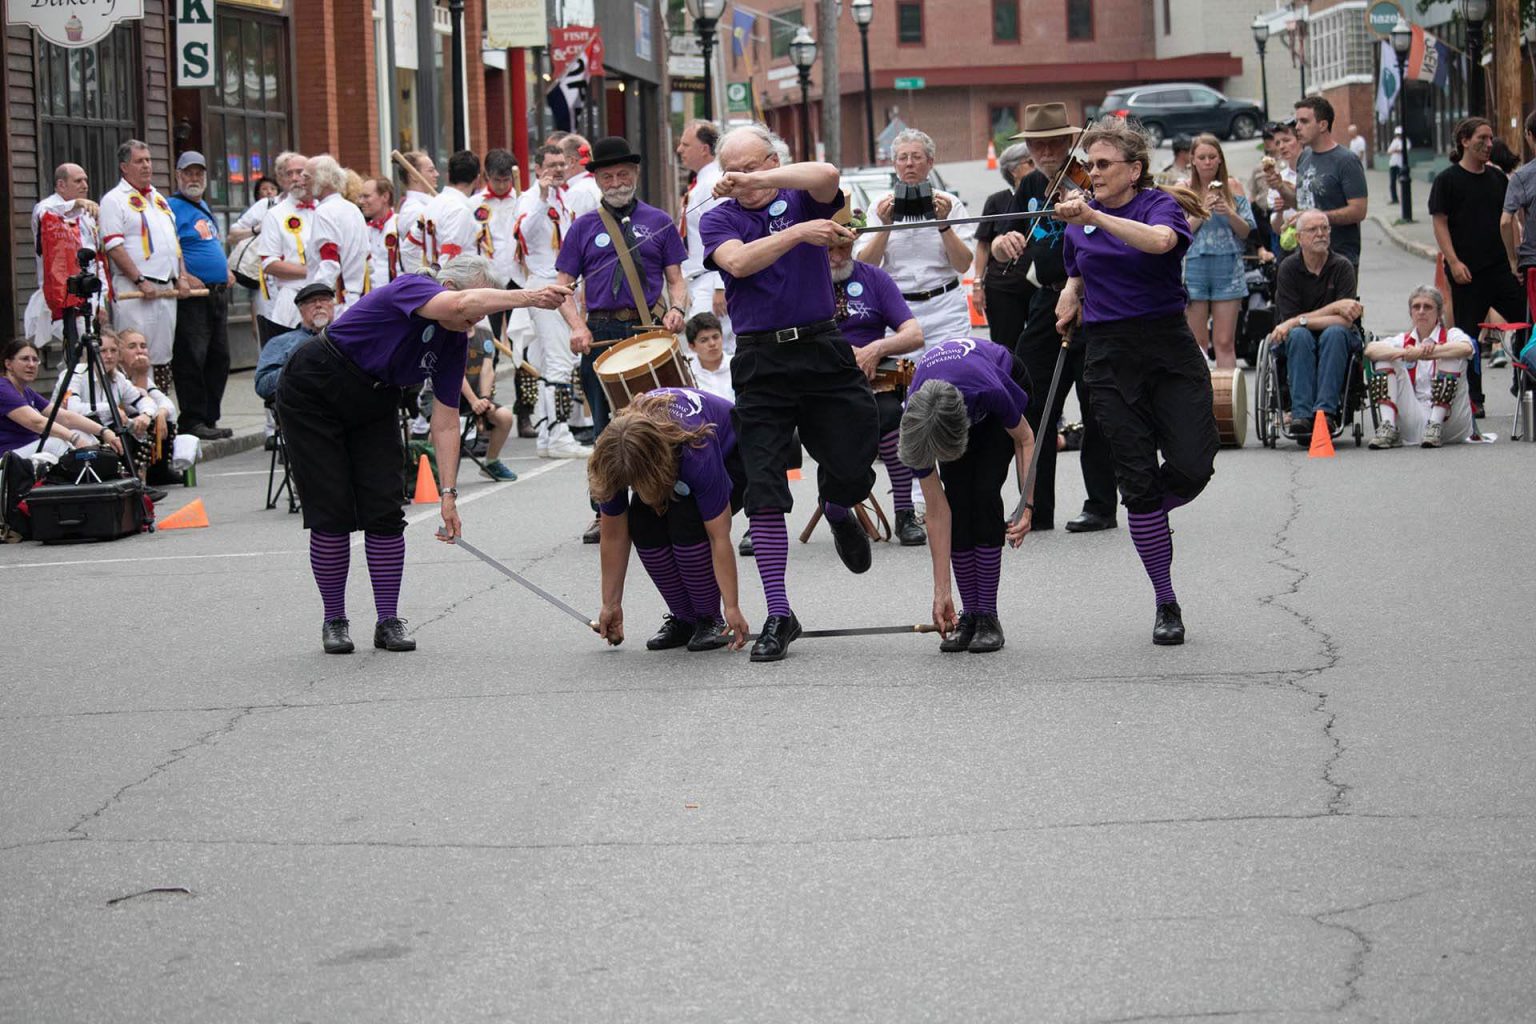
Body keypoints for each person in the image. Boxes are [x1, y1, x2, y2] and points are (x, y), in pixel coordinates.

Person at [274, 259, 570, 655]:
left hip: (376, 396)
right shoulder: (411, 288)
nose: (472, 325)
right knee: (331, 509)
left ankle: (388, 620)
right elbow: (462, 304)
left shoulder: (454, 340)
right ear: (446, 287)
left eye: (478, 318)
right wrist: (531, 296)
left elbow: (445, 422)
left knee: (385, 508)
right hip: (315, 386)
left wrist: (448, 493)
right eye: (474, 314)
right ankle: (335, 620)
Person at [702, 123, 881, 662]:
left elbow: (828, 174)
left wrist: (770, 184)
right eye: (729, 172)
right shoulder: (720, 217)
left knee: (856, 456)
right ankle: (780, 612)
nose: (741, 181)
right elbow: (737, 262)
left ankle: (836, 504)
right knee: (763, 487)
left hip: (823, 347)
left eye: (752, 168)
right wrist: (800, 234)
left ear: (774, 161)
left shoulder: (803, 194)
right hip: (762, 359)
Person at [1054, 116, 1215, 647]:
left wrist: (1095, 217)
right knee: (1137, 480)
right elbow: (1078, 265)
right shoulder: (1079, 219)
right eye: (1089, 166)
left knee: (1195, 463)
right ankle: (1165, 599)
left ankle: (1148, 511)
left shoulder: (1156, 206)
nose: (1092, 174)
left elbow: (1160, 242)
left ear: (1134, 169)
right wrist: (1070, 291)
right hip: (1108, 352)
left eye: (1103, 165)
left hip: (1167, 345)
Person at [986, 103, 1121, 534]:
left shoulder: (1091, 179)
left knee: (1096, 403)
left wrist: (1083, 209)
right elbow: (1006, 238)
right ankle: (1035, 507)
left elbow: (1110, 229)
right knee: (1030, 401)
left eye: (1053, 143)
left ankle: (1100, 505)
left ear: (1068, 142)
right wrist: (1003, 243)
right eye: (1037, 144)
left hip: (1093, 299)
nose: (1045, 151)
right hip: (1045, 304)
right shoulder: (1028, 184)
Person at [555, 136, 689, 543]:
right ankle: (605, 512)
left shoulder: (659, 220)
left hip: (647, 330)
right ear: (597, 180)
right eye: (608, 175)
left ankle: (667, 501)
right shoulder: (582, 228)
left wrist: (677, 310)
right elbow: (562, 289)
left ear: (635, 175)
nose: (616, 182)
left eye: (623, 174)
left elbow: (676, 281)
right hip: (602, 334)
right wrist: (578, 327)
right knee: (605, 430)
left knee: (662, 422)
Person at [898, 338, 1037, 653]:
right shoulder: (915, 424)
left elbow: (1026, 440)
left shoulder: (989, 391)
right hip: (944, 405)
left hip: (1000, 380)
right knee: (959, 500)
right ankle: (970, 614)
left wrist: (1026, 505)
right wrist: (940, 591)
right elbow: (937, 512)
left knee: (984, 493)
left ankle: (988, 615)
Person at [589, 387, 751, 652]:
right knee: (643, 523)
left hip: (733, 452)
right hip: (659, 456)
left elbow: (718, 535)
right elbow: (614, 534)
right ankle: (684, 619)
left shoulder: (696, 449)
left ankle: (708, 618)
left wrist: (731, 606)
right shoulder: (611, 454)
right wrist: (610, 604)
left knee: (687, 520)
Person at [829, 209, 926, 546]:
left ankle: (904, 513)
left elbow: (914, 334)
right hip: (823, 383)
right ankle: (830, 506)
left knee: (891, 416)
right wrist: (843, 354)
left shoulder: (874, 278)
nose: (839, 256)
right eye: (830, 249)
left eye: (844, 247)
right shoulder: (803, 285)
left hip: (873, 380)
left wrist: (875, 348)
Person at [1429, 116, 1525, 421]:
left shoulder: (1498, 179)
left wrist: (1515, 261)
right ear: (1464, 141)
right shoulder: (1447, 180)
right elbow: (1439, 223)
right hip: (1467, 272)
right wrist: (1454, 262)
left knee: (1528, 322)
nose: (1489, 144)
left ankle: (1523, 381)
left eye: (1490, 138)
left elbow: (1510, 221)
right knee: (1468, 337)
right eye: (1482, 139)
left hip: (1500, 268)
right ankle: (1474, 398)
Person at [857, 128, 977, 349]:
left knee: (950, 375)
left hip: (945, 309)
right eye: (903, 158)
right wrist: (886, 225)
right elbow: (865, 265)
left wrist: (944, 224)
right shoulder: (879, 206)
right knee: (903, 380)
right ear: (895, 165)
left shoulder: (950, 204)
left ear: (930, 162)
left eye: (916, 157)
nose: (909, 163)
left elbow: (963, 265)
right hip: (898, 310)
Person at [99, 139, 196, 393]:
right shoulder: (114, 200)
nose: (146, 166)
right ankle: (133, 412)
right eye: (139, 161)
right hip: (135, 290)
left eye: (149, 160)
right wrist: (140, 280)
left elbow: (173, 242)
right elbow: (114, 247)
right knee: (133, 353)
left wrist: (182, 276)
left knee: (161, 355)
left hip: (166, 288)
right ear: (124, 167)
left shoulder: (159, 199)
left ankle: (160, 415)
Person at [515, 144, 589, 459]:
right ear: (537, 168)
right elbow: (523, 234)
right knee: (559, 361)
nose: (558, 169)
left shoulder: (561, 197)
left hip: (560, 284)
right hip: (546, 286)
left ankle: (549, 435)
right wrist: (542, 199)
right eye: (552, 165)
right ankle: (558, 434)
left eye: (562, 164)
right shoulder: (532, 198)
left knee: (552, 362)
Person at [1269, 209, 1363, 442]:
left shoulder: (1342, 267)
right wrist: (1332, 309)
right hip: (1297, 338)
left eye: (1325, 228)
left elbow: (1345, 319)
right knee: (1300, 336)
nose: (1321, 234)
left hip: (1338, 337)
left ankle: (1325, 412)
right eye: (1313, 229)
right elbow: (1290, 323)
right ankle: (1301, 414)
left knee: (1335, 333)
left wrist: (1298, 320)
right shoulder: (1289, 268)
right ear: (1299, 238)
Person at [167, 151, 235, 441]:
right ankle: (192, 419)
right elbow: (171, 246)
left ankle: (210, 416)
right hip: (194, 294)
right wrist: (182, 274)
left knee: (219, 358)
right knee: (192, 357)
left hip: (216, 293)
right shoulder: (171, 207)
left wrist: (225, 269)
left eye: (199, 173)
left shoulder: (203, 206)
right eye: (188, 173)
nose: (194, 179)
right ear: (178, 175)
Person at [1366, 286, 1475, 449]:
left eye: (1428, 307)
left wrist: (1425, 353)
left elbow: (1466, 348)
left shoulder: (1452, 334)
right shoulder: (1404, 340)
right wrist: (1404, 353)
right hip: (1416, 417)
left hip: (1452, 421)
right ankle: (1387, 427)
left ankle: (1435, 426)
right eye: (1416, 307)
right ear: (1411, 313)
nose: (1421, 311)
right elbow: (1370, 350)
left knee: (1450, 356)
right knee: (1385, 360)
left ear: (1439, 313)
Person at [1182, 134, 1255, 370]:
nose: (1207, 162)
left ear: (1220, 160)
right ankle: (1200, 400)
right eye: (1202, 157)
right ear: (1193, 160)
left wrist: (1229, 212)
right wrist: (1202, 210)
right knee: (1197, 343)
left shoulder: (1232, 186)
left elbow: (1246, 231)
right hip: (1194, 267)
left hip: (1229, 266)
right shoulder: (1184, 189)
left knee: (1224, 342)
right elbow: (1181, 232)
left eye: (1212, 157)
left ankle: (1227, 402)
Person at [1273, 97, 1368, 267]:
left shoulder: (1346, 160)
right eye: (1297, 122)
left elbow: (1359, 211)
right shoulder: (1305, 157)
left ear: (1322, 125)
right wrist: (1279, 186)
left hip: (1338, 256)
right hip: (1304, 255)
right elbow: (1301, 202)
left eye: (1304, 121)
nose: (1297, 127)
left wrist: (1317, 218)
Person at [1, 339, 124, 460]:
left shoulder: (27, 392)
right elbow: (37, 422)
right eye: (25, 359)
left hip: (27, 455)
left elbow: (65, 417)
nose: (31, 364)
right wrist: (74, 438)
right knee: (57, 444)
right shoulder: (3, 388)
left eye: (35, 359)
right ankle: (90, 476)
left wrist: (104, 431)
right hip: (7, 459)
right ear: (8, 364)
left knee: (83, 434)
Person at [25, 163, 102, 354]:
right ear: (61, 185)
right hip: (62, 296)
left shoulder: (86, 214)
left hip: (88, 297)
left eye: (85, 180)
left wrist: (103, 299)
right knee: (76, 356)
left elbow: (96, 259)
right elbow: (46, 213)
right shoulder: (47, 208)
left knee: (92, 353)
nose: (85, 185)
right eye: (78, 181)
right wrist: (74, 204)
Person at [971, 141, 1035, 355]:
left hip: (1038, 288)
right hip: (1003, 288)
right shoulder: (997, 201)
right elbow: (983, 245)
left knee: (1037, 351)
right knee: (1006, 349)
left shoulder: (1043, 199)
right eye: (1030, 162)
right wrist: (977, 285)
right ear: (1013, 170)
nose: (1037, 166)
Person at [676, 119, 733, 351]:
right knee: (703, 350)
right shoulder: (701, 182)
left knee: (715, 349)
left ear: (704, 149)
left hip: (712, 280)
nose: (679, 150)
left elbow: (724, 234)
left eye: (685, 144)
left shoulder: (713, 182)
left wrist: (721, 286)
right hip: (700, 279)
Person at [255, 153, 317, 347]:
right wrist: (311, 270)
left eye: (300, 172)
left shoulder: (325, 209)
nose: (295, 178)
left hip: (327, 298)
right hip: (292, 298)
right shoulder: (275, 214)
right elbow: (269, 263)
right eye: (289, 174)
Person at [120, 327, 198, 478]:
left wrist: (160, 413)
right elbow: (134, 406)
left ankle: (159, 471)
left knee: (164, 419)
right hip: (123, 426)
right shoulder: (117, 376)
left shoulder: (145, 378)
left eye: (143, 346)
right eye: (132, 347)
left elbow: (167, 404)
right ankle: (138, 472)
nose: (139, 351)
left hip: (138, 421)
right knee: (145, 419)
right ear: (120, 353)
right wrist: (142, 374)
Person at [301, 154, 370, 317]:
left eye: (307, 177)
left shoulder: (324, 211)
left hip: (334, 305)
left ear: (322, 180)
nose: (302, 182)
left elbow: (330, 262)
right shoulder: (353, 209)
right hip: (357, 300)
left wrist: (311, 298)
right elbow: (367, 257)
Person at [255, 282, 335, 402]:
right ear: (301, 310)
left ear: (332, 306)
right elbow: (263, 386)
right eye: (311, 302)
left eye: (324, 299)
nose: (318, 305)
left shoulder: (345, 338)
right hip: (304, 407)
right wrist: (298, 366)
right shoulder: (282, 342)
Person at [1500, 113, 1536, 327]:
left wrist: (1513, 260)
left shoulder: (1522, 176)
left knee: (1532, 322)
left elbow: (1505, 221)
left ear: (1530, 135)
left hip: (1533, 259)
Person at [420, 150, 483, 268]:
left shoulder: (432, 204)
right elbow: (450, 258)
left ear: (448, 175)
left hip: (434, 278)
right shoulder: (460, 210)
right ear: (477, 180)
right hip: (456, 282)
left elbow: (409, 248)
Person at [1262, 121, 1303, 254]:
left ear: (1300, 140)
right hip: (1289, 246)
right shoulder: (1279, 178)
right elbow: (1276, 228)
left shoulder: (1313, 172)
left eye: (1286, 140)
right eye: (1278, 143)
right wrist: (1279, 211)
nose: (1282, 146)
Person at [395, 150, 438, 274]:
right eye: (431, 170)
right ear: (413, 176)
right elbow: (415, 256)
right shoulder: (413, 210)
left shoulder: (430, 205)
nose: (437, 174)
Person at [359, 177, 401, 288]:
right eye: (361, 197)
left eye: (366, 196)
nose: (361, 201)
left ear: (385, 197)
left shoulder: (400, 225)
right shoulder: (363, 230)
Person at [685, 313, 734, 401]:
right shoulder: (687, 374)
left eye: (715, 337)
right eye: (704, 340)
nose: (712, 343)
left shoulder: (737, 365)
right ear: (692, 346)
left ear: (722, 337)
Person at [558, 133, 603, 213]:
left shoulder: (577, 192)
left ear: (571, 161)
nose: (557, 169)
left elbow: (572, 225)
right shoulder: (598, 183)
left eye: (560, 163)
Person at [1387, 127, 1405, 205]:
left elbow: (1402, 149)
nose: (1398, 136)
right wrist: (1395, 150)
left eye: (1399, 134)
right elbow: (1389, 151)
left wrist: (1395, 150)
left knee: (1402, 182)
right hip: (1393, 163)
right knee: (1392, 183)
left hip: (1400, 164)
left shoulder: (1405, 141)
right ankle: (1394, 198)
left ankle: (1404, 198)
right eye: (1397, 134)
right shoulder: (1394, 141)